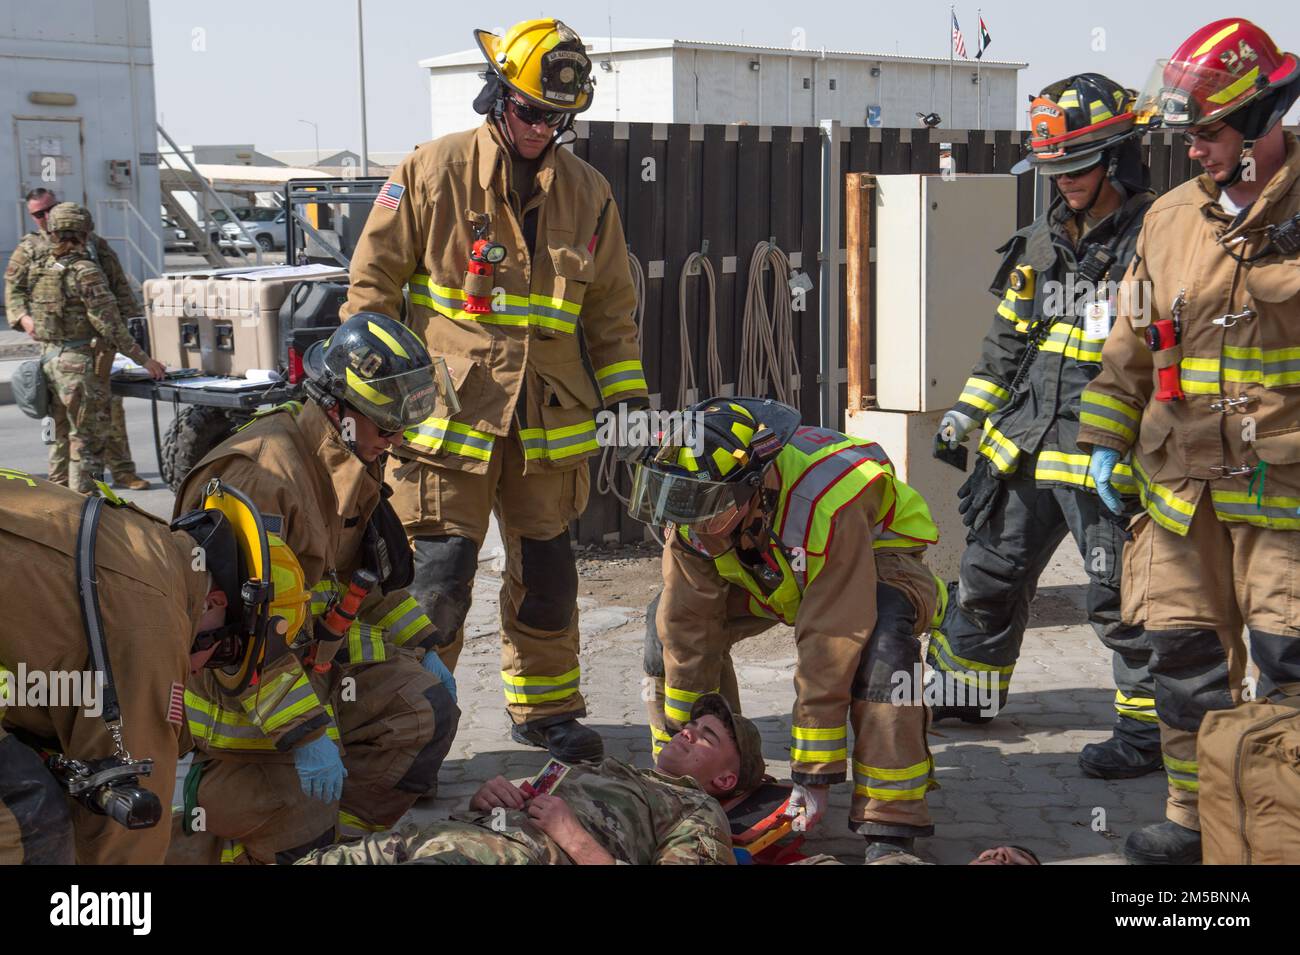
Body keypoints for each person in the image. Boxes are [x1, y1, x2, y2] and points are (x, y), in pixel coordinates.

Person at [341, 18, 648, 763]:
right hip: (448, 421)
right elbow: (371, 287)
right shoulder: (429, 171)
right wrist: (364, 401)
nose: (543, 129)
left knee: (547, 579)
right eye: (531, 111)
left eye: (557, 118)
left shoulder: (590, 193)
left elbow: (610, 310)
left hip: (549, 425)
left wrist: (631, 404)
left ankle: (545, 711)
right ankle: (410, 726)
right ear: (496, 96)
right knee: (433, 586)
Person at [1079, 19, 1300, 865]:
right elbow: (1129, 345)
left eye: (1208, 133)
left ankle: (1278, 837)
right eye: (1187, 135)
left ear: (1266, 114)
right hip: (1180, 490)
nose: (1193, 152)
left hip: (1285, 494)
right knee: (1184, 661)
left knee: (1288, 667)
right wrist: (1106, 432)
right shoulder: (1171, 219)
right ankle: (1193, 816)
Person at [931, 74, 1162, 779]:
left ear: (1119, 158)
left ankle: (1147, 733)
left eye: (1078, 167)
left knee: (1117, 596)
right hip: (1025, 444)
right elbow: (1006, 344)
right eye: (1054, 170)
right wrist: (965, 411)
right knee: (987, 573)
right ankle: (965, 690)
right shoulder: (1038, 242)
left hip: (1103, 452)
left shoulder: (1156, 243)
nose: (1064, 182)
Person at [171, 312, 459, 863]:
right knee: (297, 803)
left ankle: (336, 846)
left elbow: (360, 578)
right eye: (386, 426)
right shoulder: (259, 478)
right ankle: (223, 828)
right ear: (338, 408)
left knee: (422, 711)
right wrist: (305, 735)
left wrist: (424, 646)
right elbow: (236, 635)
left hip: (309, 668)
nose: (397, 440)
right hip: (244, 698)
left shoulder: (347, 457)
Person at [634, 397, 945, 863]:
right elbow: (688, 627)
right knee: (665, 624)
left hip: (877, 566)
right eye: (680, 509)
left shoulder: (831, 500)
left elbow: (830, 641)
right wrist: (685, 767)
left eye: (705, 512)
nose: (691, 528)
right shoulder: (698, 507)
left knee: (880, 646)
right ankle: (722, 779)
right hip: (768, 565)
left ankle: (891, 822)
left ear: (753, 489)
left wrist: (813, 773)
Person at [0, 470, 310, 864]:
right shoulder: (152, 622)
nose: (199, 671)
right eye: (226, 650)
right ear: (214, 603)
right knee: (27, 817)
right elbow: (131, 826)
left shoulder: (142, 540)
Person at [297, 692, 759, 865]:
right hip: (454, 837)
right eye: (689, 726)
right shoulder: (614, 769)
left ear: (724, 779)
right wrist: (487, 802)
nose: (687, 733)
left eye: (706, 738)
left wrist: (574, 838)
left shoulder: (698, 811)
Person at [6, 203, 164, 493]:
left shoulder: (44, 269)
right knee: (86, 444)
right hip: (81, 366)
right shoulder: (85, 271)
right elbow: (110, 325)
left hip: (51, 361)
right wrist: (145, 360)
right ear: (84, 232)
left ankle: (57, 498)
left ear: (53, 231)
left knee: (60, 435)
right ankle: (83, 509)